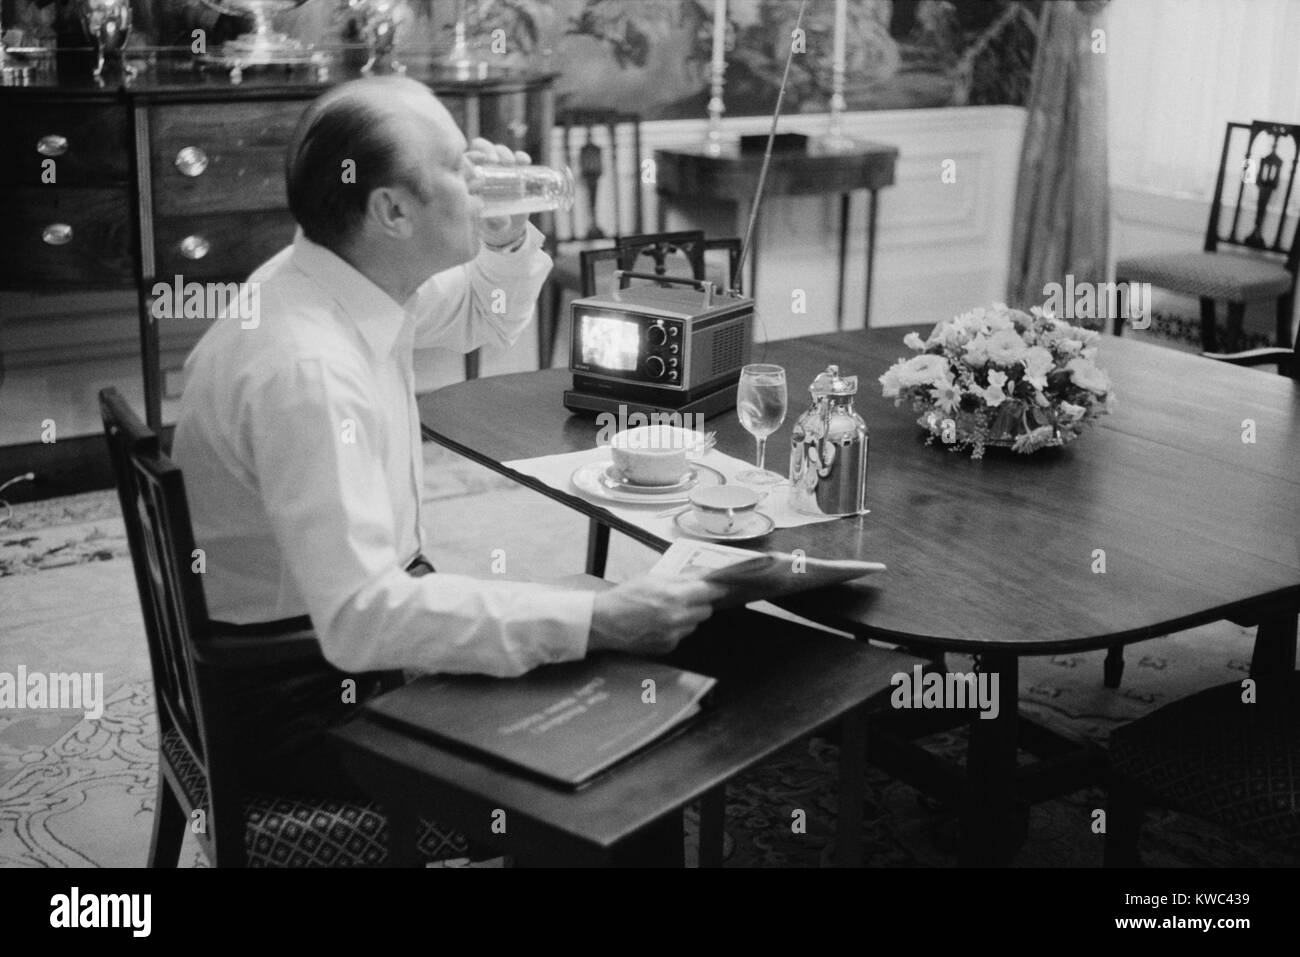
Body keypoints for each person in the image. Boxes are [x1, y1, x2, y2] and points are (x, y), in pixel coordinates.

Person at [171, 75, 723, 793]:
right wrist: (599, 619)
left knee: (612, 645)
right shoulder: (306, 370)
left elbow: (483, 314)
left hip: (318, 647)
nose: (487, 179)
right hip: (300, 703)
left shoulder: (332, 274)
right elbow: (363, 619)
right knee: (627, 753)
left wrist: (502, 236)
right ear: (393, 209)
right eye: (460, 168)